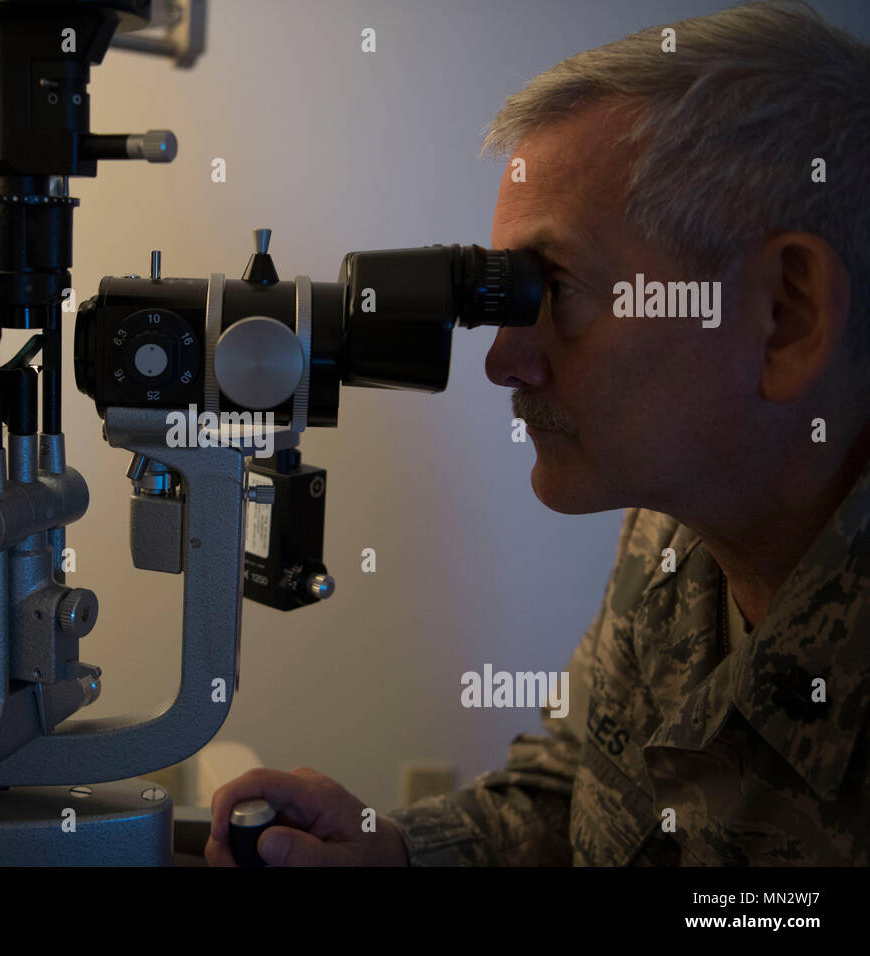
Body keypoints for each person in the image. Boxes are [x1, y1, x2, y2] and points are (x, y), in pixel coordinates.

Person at [208, 0, 870, 866]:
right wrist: (400, 853)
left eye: (552, 287)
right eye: (506, 294)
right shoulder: (673, 530)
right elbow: (578, 790)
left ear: (785, 313)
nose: (503, 361)